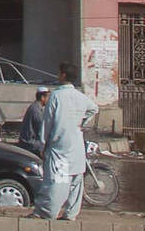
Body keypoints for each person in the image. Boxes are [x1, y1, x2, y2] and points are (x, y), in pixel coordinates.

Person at [33, 63, 99, 221]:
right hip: (76, 145)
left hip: (60, 147)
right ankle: (70, 214)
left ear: (62, 75)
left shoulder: (56, 96)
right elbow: (94, 109)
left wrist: (43, 145)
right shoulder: (81, 97)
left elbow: (47, 123)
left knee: (59, 183)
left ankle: (47, 213)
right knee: (76, 180)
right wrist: (81, 123)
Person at [18, 87, 50, 159]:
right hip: (30, 144)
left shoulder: (36, 107)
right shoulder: (36, 110)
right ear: (42, 97)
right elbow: (41, 129)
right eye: (48, 97)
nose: (49, 100)